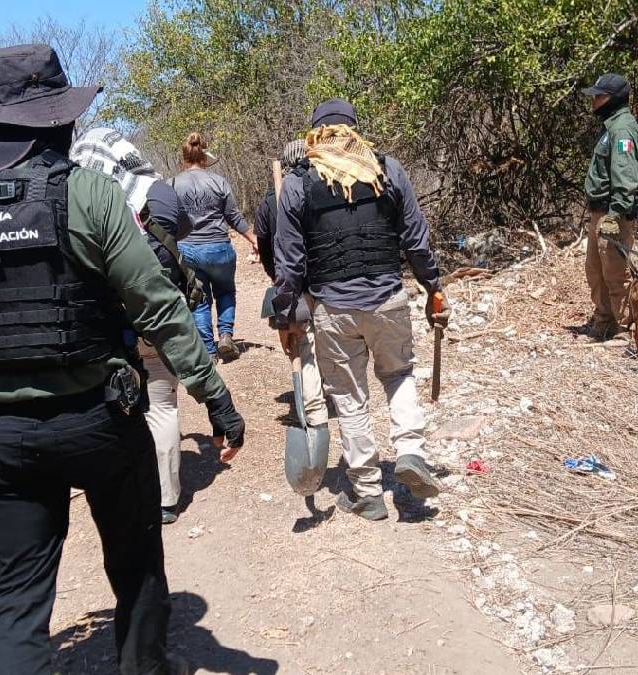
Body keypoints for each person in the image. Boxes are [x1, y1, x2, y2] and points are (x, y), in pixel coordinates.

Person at [0, 44, 245, 675]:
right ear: (55, 119)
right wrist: (216, 398)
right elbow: (159, 307)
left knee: (19, 598)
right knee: (135, 570)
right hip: (98, 419)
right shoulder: (87, 194)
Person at [272, 98, 450, 521]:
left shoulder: (299, 182)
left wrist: (285, 315)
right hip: (389, 299)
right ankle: (410, 451)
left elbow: (290, 263)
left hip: (334, 308)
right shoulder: (387, 170)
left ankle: (367, 490)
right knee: (399, 375)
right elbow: (415, 239)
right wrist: (433, 288)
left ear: (316, 133)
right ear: (355, 129)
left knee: (350, 398)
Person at [71, 127, 192, 525]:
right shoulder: (160, 191)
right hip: (158, 316)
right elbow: (183, 231)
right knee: (162, 405)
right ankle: (167, 498)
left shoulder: (77, 195)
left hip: (107, 324)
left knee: (113, 406)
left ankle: (125, 491)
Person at [254, 139, 328, 430]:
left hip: (295, 280)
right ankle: (319, 401)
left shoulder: (270, 202)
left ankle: (314, 408)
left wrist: (277, 278)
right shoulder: (322, 189)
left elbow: (265, 247)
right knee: (318, 341)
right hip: (321, 280)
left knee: (306, 345)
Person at [171, 133, 259, 362]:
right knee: (225, 290)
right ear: (204, 156)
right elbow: (233, 216)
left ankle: (209, 351)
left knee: (199, 298)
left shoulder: (173, 184)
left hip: (188, 249)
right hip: (219, 247)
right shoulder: (218, 181)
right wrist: (252, 238)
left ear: (184, 158)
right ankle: (226, 335)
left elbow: (168, 219)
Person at [581, 72, 638, 340]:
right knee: (596, 269)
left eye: (600, 95)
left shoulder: (622, 130)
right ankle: (604, 320)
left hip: (612, 213)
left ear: (614, 99)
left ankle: (625, 326)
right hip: (600, 212)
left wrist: (616, 213)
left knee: (615, 273)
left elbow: (625, 175)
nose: (594, 100)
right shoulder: (610, 126)